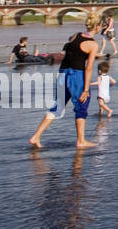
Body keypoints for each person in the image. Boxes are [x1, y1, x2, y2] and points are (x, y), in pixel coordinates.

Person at [28, 18, 99, 149]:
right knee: (82, 105)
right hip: (76, 75)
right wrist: (86, 89)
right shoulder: (93, 44)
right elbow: (89, 68)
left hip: (63, 72)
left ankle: (36, 136)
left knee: (58, 107)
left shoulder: (75, 35)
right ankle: (81, 140)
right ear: (98, 27)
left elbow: (71, 47)